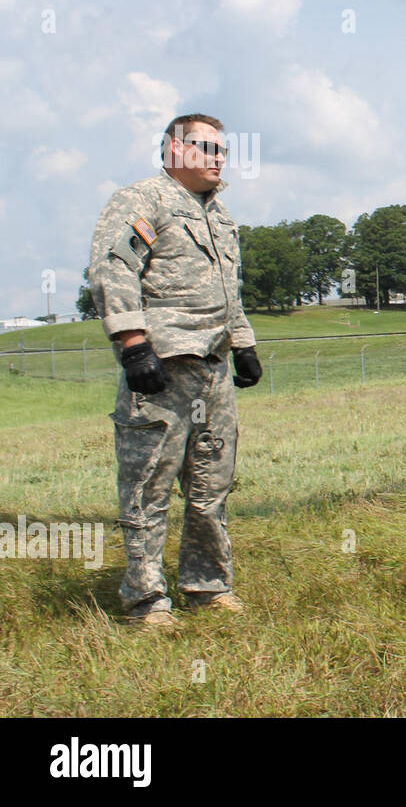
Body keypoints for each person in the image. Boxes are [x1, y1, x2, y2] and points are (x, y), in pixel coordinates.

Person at [89, 113, 260, 626]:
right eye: (205, 147)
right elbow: (114, 268)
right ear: (172, 148)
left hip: (212, 366)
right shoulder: (142, 200)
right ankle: (146, 602)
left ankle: (207, 586)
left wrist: (243, 343)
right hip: (161, 368)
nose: (217, 158)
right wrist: (133, 343)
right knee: (149, 487)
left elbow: (231, 291)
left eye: (222, 150)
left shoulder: (220, 215)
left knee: (211, 484)